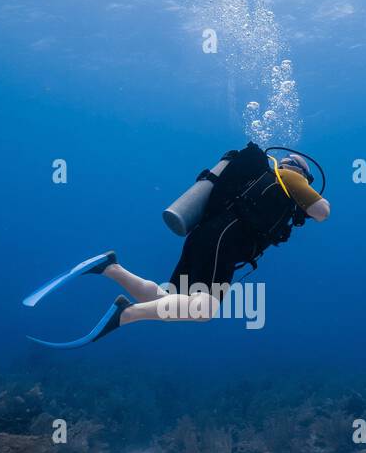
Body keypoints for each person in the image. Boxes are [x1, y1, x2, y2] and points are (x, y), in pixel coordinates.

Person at [23, 146, 330, 347]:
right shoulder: (290, 177)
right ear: (301, 171)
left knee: (169, 298)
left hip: (202, 234)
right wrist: (308, 199)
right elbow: (322, 212)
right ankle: (127, 315)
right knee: (204, 309)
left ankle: (110, 267)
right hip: (226, 239)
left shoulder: (258, 179)